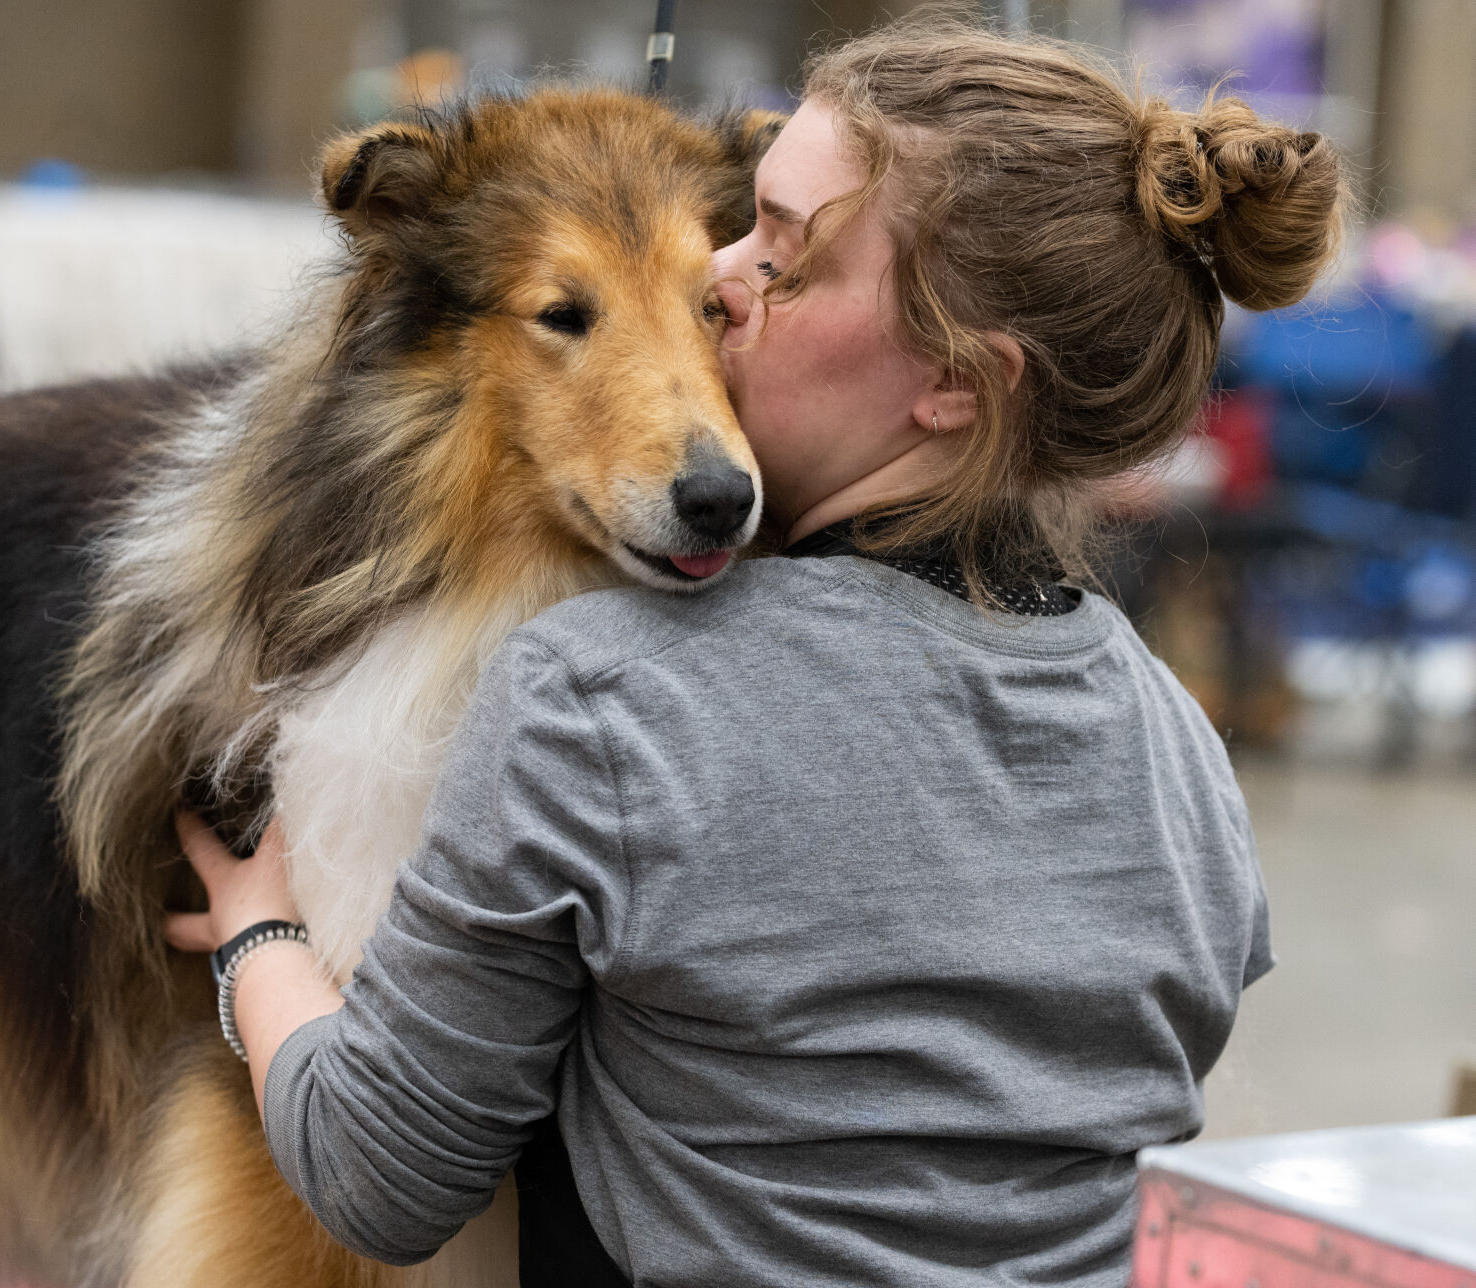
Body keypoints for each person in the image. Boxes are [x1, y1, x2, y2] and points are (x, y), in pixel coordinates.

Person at [166, 9, 1346, 1286]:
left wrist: (259, 937)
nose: (724, 279)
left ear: (954, 383)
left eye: (783, 256)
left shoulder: (604, 698)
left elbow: (375, 1175)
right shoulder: (1178, 750)